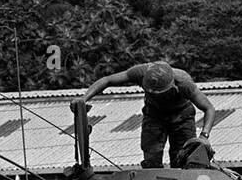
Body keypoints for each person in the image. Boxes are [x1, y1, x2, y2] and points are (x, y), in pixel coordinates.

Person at [80, 60, 218, 168]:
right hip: (154, 116)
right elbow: (107, 80)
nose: (155, 94)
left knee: (184, 159)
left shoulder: (184, 82)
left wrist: (204, 136)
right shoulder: (140, 73)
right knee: (151, 158)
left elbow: (209, 109)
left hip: (182, 117)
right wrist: (83, 99)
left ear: (172, 85)